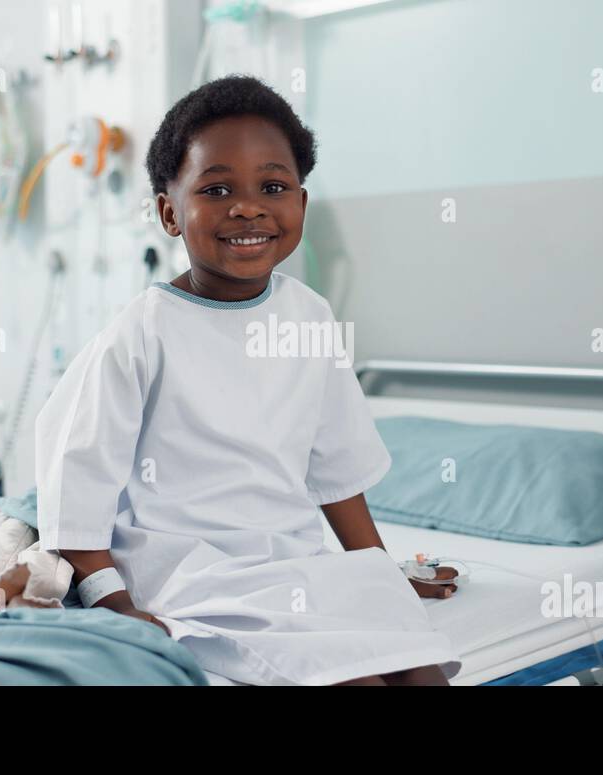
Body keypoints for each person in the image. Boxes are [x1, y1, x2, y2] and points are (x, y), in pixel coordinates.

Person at [35, 75, 459, 686]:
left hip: (294, 562)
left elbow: (335, 470)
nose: (248, 206)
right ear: (169, 213)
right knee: (355, 678)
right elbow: (77, 487)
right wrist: (115, 603)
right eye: (216, 189)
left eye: (273, 186)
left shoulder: (309, 316)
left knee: (421, 673)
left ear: (302, 206)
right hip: (194, 575)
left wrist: (378, 575)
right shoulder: (141, 336)